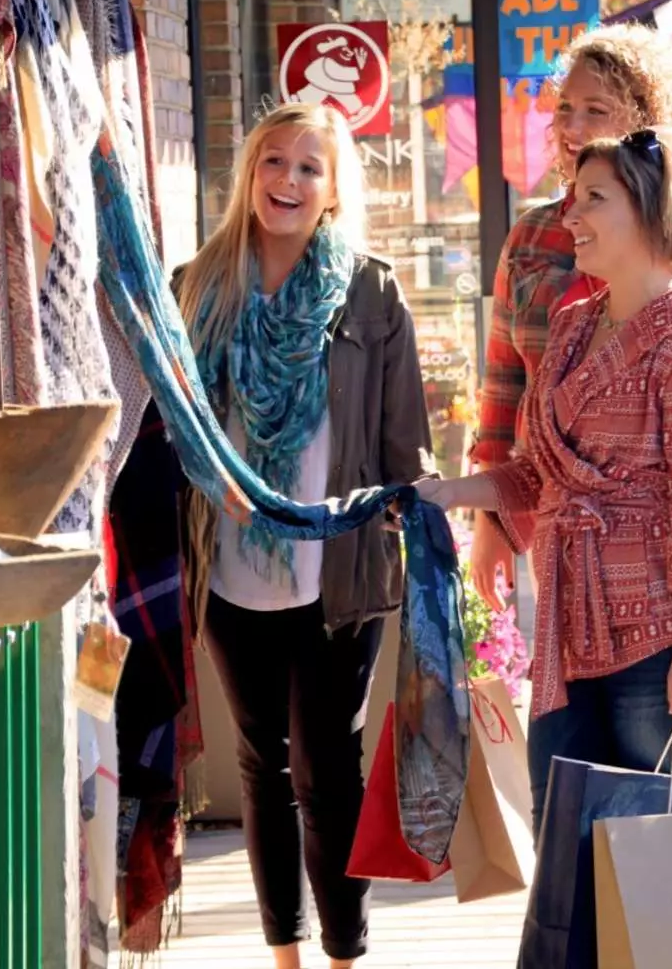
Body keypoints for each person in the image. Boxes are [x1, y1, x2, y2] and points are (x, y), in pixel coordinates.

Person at [419, 128, 672, 829]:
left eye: (594, 199)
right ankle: (578, 950)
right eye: (574, 198)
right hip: (571, 629)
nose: (570, 216)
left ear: (651, 210)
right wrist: (451, 495)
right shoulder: (573, 326)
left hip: (667, 632)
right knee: (567, 836)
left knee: (666, 847)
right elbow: (546, 474)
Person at [177, 102, 434, 969]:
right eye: (273, 161)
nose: (288, 180)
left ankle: (344, 957)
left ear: (333, 190)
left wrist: (431, 530)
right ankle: (284, 954)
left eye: (309, 167)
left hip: (341, 571)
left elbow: (405, 444)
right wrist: (214, 480)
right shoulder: (197, 285)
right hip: (230, 570)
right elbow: (167, 430)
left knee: (330, 772)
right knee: (261, 765)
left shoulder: (370, 290)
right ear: (249, 174)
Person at [467, 24, 672, 617]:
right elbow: (502, 387)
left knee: (662, 698)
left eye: (595, 109)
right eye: (564, 108)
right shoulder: (534, 234)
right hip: (552, 525)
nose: (569, 128)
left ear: (650, 119)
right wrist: (489, 519)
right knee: (560, 704)